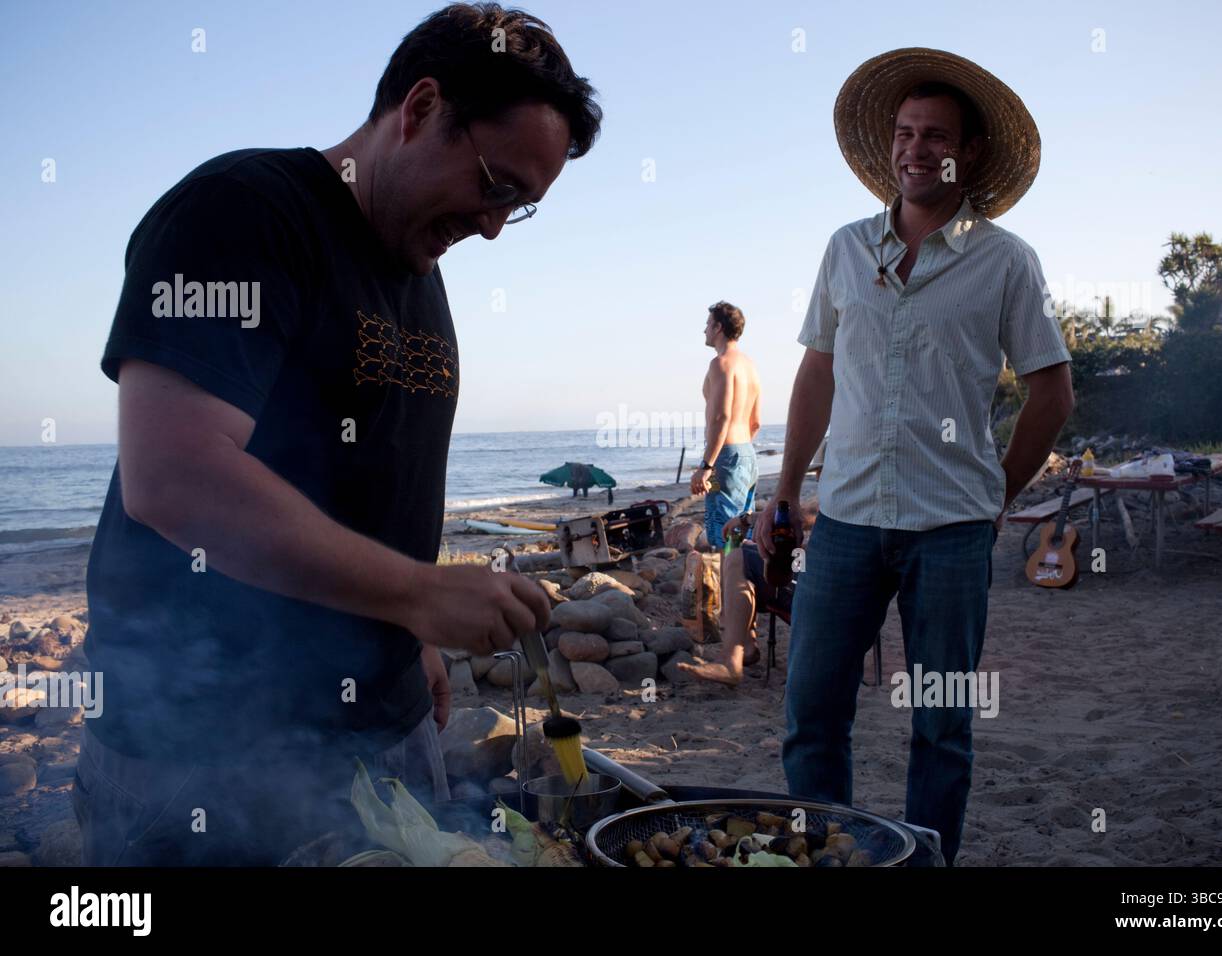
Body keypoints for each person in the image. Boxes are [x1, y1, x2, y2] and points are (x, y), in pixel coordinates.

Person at [76, 3, 601, 865]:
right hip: (207, 748)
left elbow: (367, 485)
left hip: (387, 728)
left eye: (524, 206)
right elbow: (173, 476)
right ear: (422, 107)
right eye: (496, 184)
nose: (496, 225)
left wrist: (409, 638)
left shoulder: (417, 270)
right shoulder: (240, 214)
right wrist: (416, 593)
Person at [755, 49, 1074, 866]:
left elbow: (1051, 393)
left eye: (935, 136)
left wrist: (995, 491)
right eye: (904, 133)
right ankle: (827, 855)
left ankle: (926, 862)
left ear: (965, 153)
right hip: (847, 524)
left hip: (953, 532)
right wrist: (785, 488)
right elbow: (818, 372)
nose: (916, 149)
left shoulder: (1006, 261)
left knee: (942, 725)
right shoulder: (844, 249)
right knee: (813, 714)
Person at [678, 501, 817, 686]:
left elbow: (805, 515)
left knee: (739, 556)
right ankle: (747, 645)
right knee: (750, 551)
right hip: (846, 594)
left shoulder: (846, 486)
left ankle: (732, 659)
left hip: (821, 596)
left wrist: (747, 520)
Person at [690, 301, 762, 549]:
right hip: (747, 456)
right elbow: (756, 422)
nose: (705, 330)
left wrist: (706, 466)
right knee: (744, 529)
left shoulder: (720, 364)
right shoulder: (750, 366)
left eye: (708, 324)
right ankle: (748, 585)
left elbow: (721, 418)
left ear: (718, 327)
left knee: (727, 536)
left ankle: (732, 587)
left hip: (725, 460)